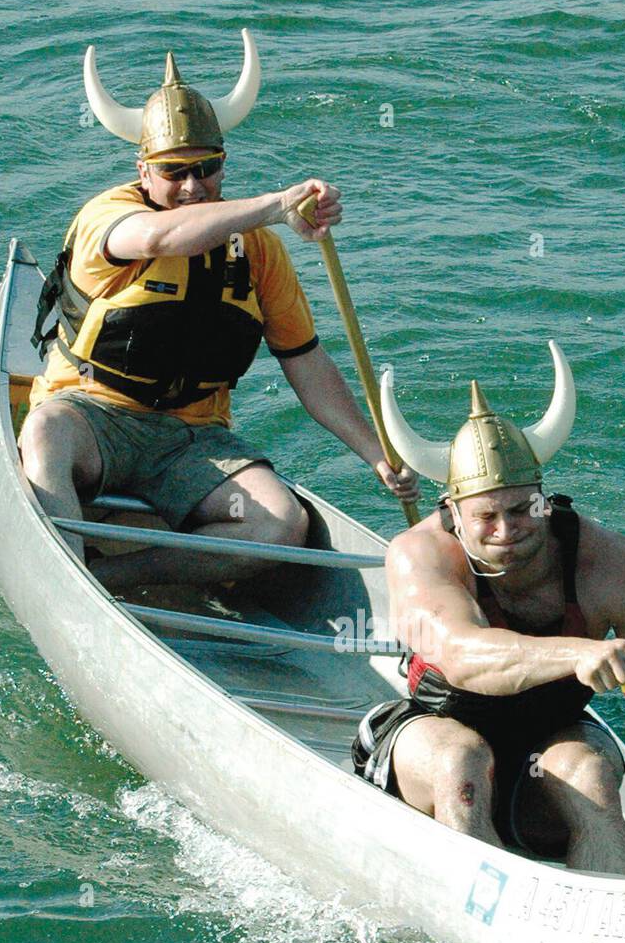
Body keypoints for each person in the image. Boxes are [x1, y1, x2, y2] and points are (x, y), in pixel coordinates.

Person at [21, 32, 416, 590]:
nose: (191, 185)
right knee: (43, 433)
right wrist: (279, 205)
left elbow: (305, 361)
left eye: (205, 168)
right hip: (93, 416)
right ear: (144, 172)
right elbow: (161, 240)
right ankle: (61, 574)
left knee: (282, 524)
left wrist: (376, 454)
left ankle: (113, 578)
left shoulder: (257, 250)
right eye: (173, 172)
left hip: (193, 436)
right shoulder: (107, 215)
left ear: (223, 166)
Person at [352, 341, 625, 878]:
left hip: (545, 753)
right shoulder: (417, 555)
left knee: (591, 777)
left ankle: (619, 933)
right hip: (435, 734)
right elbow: (465, 657)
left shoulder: (606, 561)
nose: (507, 530)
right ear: (451, 510)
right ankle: (483, 923)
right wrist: (578, 652)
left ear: (544, 497)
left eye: (522, 510)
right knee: (462, 764)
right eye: (486, 517)